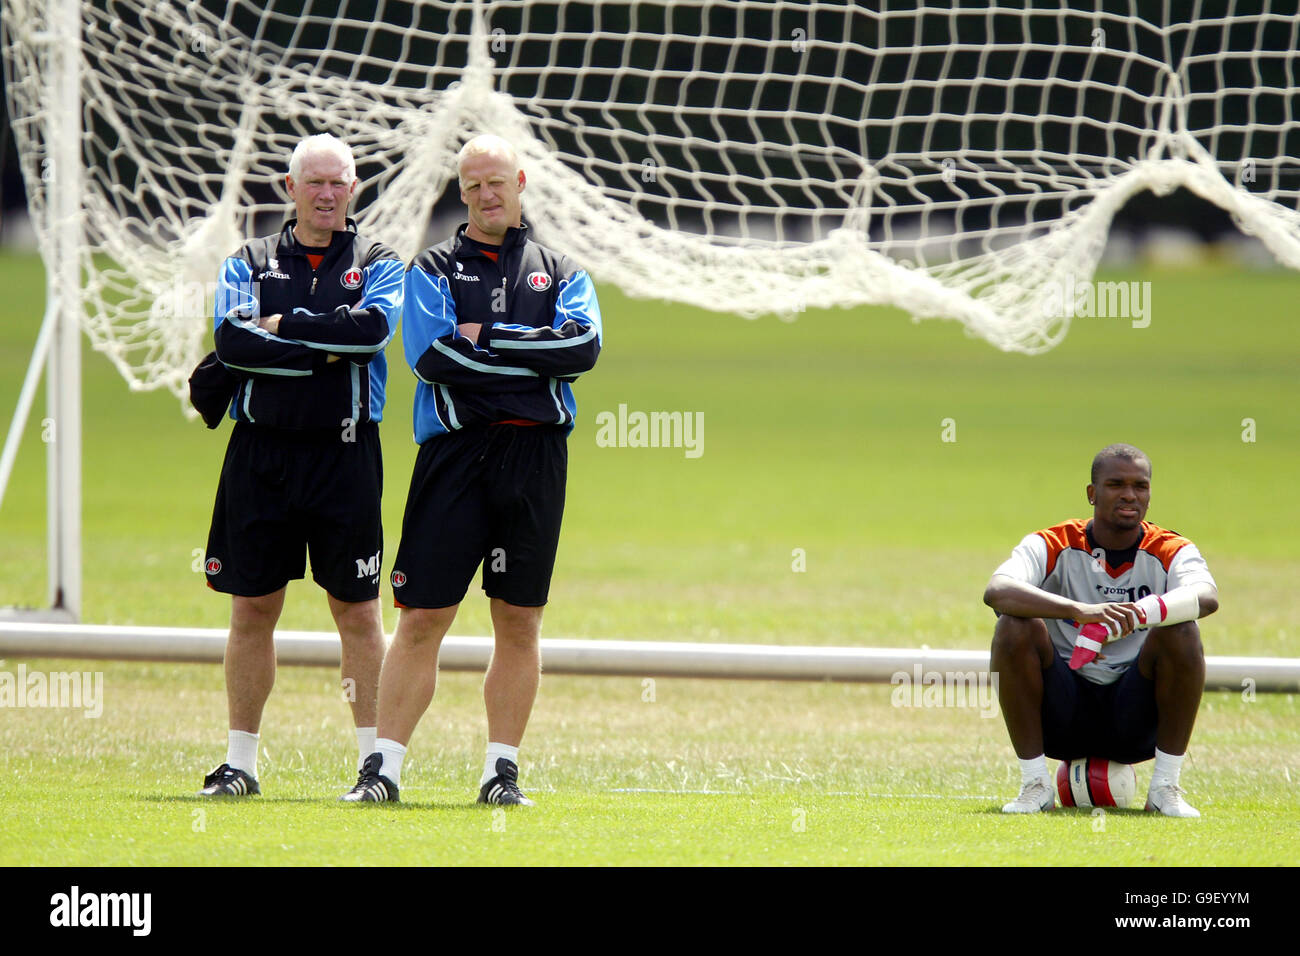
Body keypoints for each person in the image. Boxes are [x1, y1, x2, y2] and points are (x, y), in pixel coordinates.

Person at [341, 134, 602, 804]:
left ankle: (500, 772)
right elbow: (433, 358)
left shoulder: (563, 270)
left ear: (519, 182)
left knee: (519, 620)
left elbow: (583, 348)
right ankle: (383, 772)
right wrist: (529, 356)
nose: (488, 196)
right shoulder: (431, 269)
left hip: (535, 458)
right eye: (474, 186)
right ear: (462, 193)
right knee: (422, 616)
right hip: (454, 457)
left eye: (498, 183)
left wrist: (489, 339)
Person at [198, 133, 404, 797]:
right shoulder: (249, 261)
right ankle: (240, 764)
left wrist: (281, 327)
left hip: (345, 453)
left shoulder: (379, 260)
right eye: (313, 182)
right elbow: (231, 340)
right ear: (289, 189)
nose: (325, 193)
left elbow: (371, 333)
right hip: (261, 453)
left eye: (337, 182)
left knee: (358, 611)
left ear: (353, 189)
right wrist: (325, 343)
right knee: (253, 607)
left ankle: (374, 767)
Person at [983, 443, 1218, 817]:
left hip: (1135, 718)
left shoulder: (1171, 548)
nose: (1129, 494)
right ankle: (1035, 785)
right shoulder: (1053, 543)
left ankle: (1164, 789)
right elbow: (997, 591)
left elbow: (1206, 597)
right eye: (1116, 484)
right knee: (1013, 627)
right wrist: (1079, 611)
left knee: (1182, 631)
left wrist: (1141, 613)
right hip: (1062, 715)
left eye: (1140, 486)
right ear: (1092, 493)